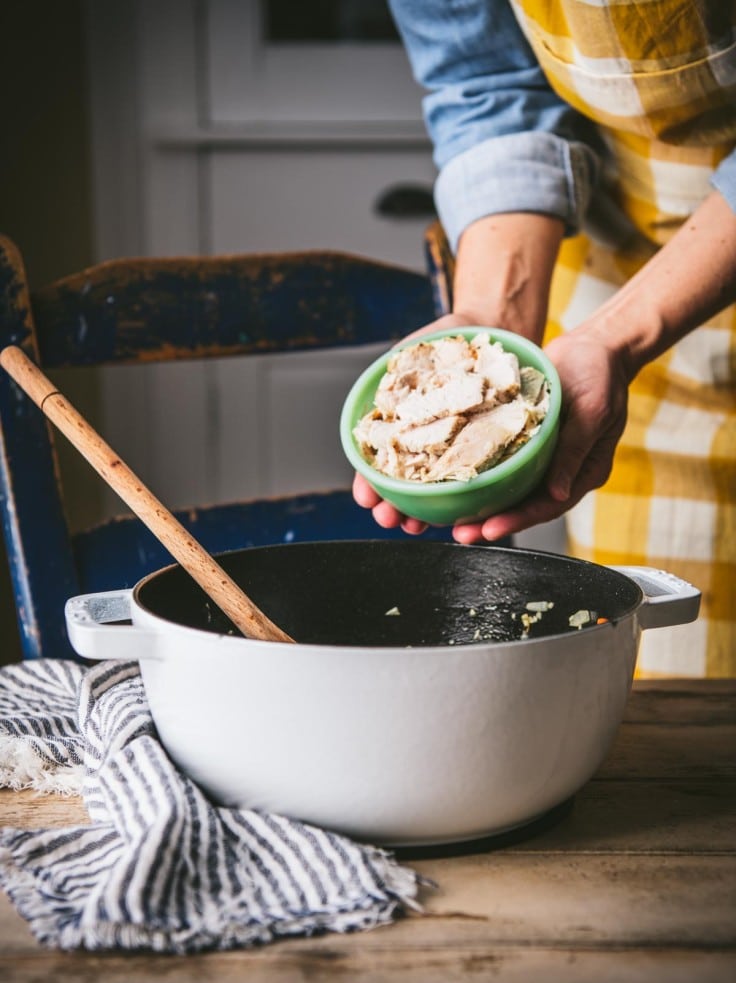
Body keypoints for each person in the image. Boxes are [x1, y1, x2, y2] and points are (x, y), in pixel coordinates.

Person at [352, 0, 736, 677]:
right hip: (621, 299)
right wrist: (488, 319)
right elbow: (490, 85)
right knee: (667, 693)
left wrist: (616, 338)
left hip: (627, 323)